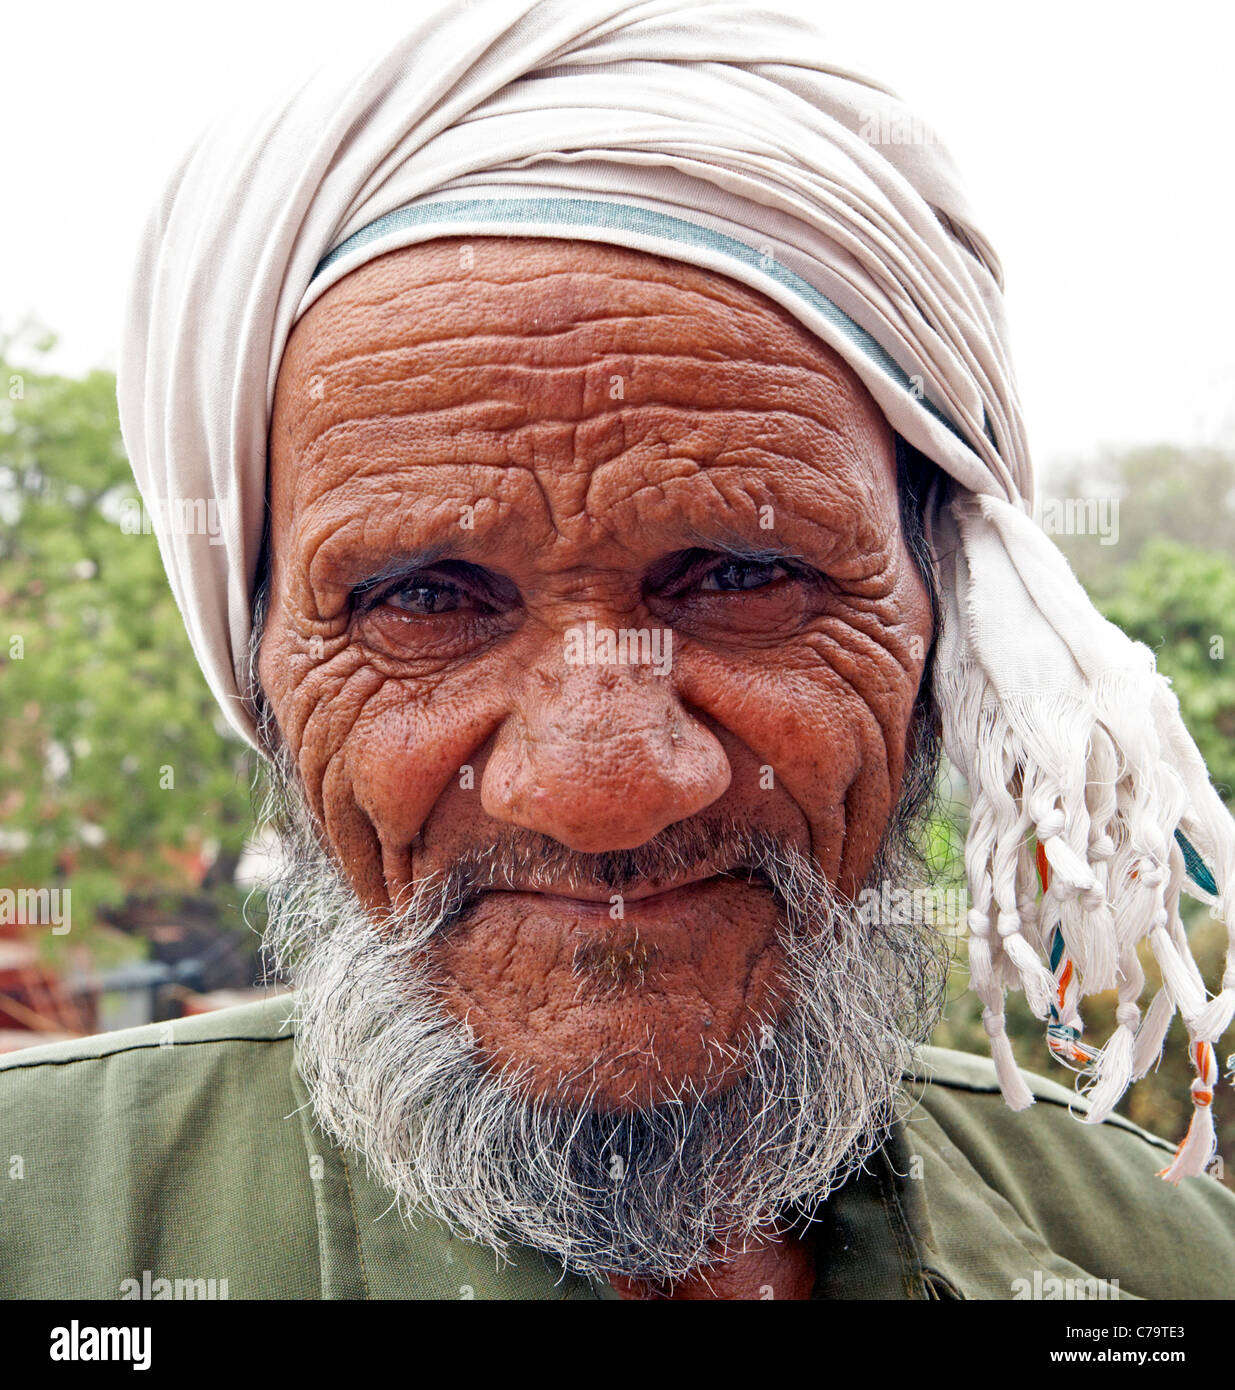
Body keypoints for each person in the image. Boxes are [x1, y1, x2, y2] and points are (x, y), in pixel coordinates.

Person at [3, 0, 1234, 1300]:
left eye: (747, 577)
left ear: (947, 620)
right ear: (256, 666)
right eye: (424, 599)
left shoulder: (1162, 1265)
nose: (602, 789)